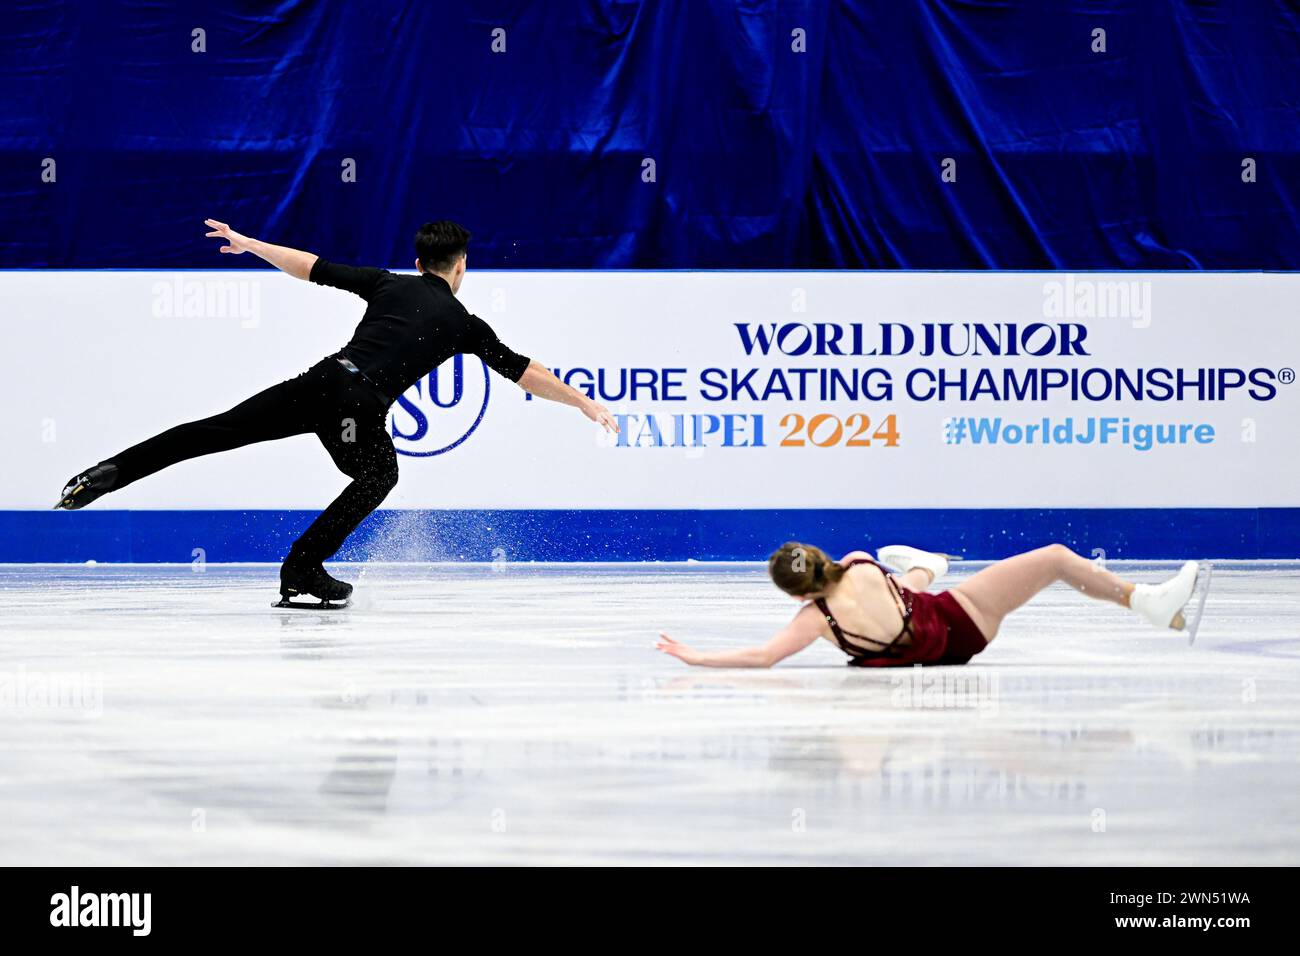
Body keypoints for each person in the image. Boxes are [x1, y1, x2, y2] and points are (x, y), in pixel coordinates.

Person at [54, 219, 617, 606]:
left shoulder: (388, 284)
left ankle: (108, 473)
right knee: (380, 473)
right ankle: (303, 566)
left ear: (419, 262)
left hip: (323, 381)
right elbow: (527, 373)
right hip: (359, 406)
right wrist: (585, 403)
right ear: (460, 266)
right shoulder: (466, 325)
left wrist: (250, 243)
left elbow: (311, 266)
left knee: (217, 430)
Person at [656, 543, 1207, 668]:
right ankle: (1147, 601)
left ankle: (930, 564)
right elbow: (867, 575)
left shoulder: (811, 621)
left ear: (796, 595)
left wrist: (695, 656)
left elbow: (762, 658)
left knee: (914, 588)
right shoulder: (860, 564)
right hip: (959, 611)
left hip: (959, 647)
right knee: (1057, 559)